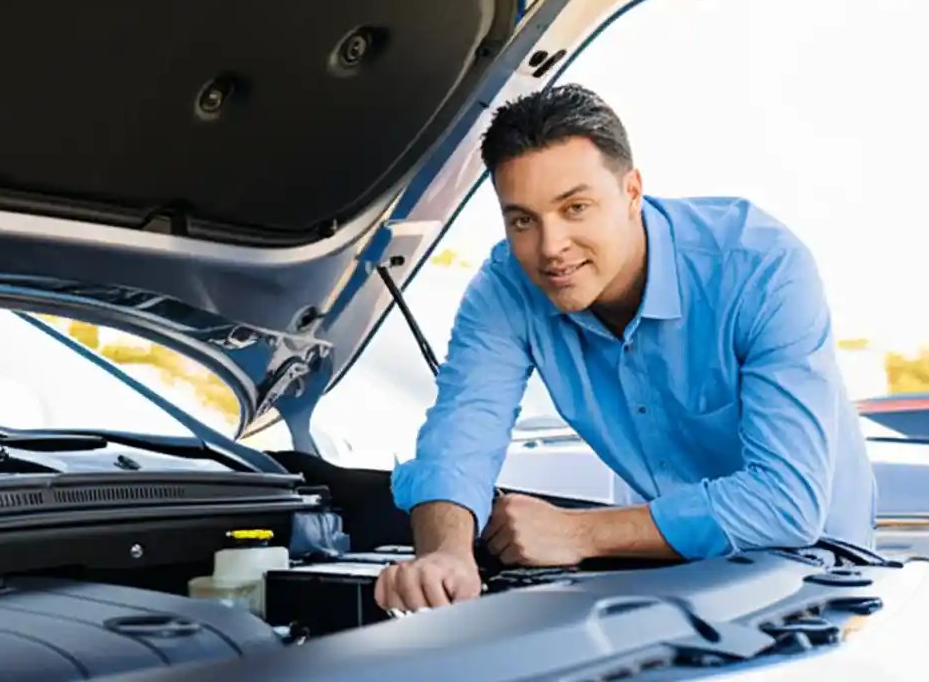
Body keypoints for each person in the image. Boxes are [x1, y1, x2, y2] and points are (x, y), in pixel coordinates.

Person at [374, 83, 877, 612]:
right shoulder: (506, 288)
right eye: (522, 219)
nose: (550, 249)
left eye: (575, 208)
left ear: (632, 192)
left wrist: (580, 533)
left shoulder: (759, 267)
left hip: (820, 574)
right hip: (675, 579)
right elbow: (460, 438)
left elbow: (786, 503)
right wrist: (446, 556)